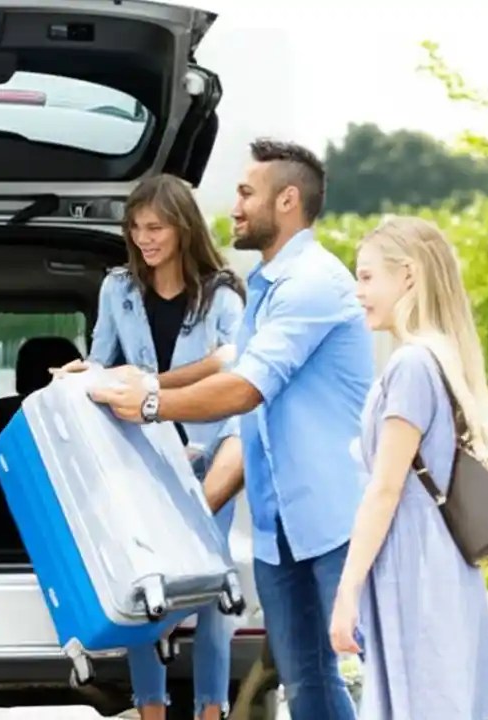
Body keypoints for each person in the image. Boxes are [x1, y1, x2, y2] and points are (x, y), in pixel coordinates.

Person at [89, 139, 374, 720]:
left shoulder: (312, 283)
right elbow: (242, 407)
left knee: (376, 670)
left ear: (287, 200)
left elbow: (243, 387)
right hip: (279, 528)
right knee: (308, 680)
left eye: (246, 193)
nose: (234, 206)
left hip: (332, 521)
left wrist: (150, 401)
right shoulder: (267, 287)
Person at [328, 217, 488, 719]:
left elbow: (385, 490)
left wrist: (347, 591)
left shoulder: (411, 366)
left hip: (414, 567)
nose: (358, 292)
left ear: (408, 276)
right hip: (436, 563)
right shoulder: (436, 360)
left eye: (367, 276)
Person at [59, 174, 245, 720]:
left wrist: (153, 387)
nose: (144, 239)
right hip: (143, 457)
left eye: (155, 228)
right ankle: (151, 711)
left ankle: (211, 710)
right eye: (136, 228)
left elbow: (235, 365)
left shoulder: (221, 295)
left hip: (209, 454)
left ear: (183, 228)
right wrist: (82, 373)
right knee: (145, 583)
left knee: (212, 588)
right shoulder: (117, 289)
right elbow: (103, 359)